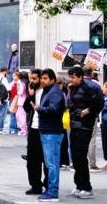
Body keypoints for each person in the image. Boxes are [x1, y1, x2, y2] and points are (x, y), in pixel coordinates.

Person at [67, 65, 104, 199]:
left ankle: (86, 187)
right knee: (76, 156)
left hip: (84, 125)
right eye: (70, 77)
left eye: (73, 77)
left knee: (81, 155)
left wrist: (88, 111)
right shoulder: (73, 87)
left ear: (80, 76)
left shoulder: (89, 87)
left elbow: (99, 102)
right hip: (75, 123)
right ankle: (79, 185)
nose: (71, 80)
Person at [36, 68, 67, 202]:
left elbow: (54, 110)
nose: (42, 81)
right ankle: (50, 190)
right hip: (47, 131)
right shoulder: (48, 91)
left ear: (52, 79)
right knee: (50, 163)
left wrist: (39, 109)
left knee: (52, 163)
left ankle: (53, 192)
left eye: (45, 78)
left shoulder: (55, 92)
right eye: (42, 78)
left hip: (52, 132)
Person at [23, 68, 49, 195]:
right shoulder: (32, 91)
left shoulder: (47, 91)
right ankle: (35, 186)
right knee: (33, 160)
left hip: (46, 130)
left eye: (34, 78)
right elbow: (27, 108)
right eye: (30, 78)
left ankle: (48, 184)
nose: (32, 81)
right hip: (33, 129)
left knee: (46, 160)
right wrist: (31, 95)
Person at [83, 66, 102, 171]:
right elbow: (100, 102)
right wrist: (95, 112)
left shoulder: (75, 85)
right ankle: (92, 163)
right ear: (90, 74)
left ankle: (77, 161)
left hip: (78, 116)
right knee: (91, 139)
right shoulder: (95, 85)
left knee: (78, 138)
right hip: (91, 116)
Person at [8, 70, 23, 135]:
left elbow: (20, 92)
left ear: (18, 76)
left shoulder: (20, 83)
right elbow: (9, 88)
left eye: (14, 76)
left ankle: (19, 128)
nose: (13, 77)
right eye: (13, 75)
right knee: (12, 114)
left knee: (18, 114)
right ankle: (12, 128)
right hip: (12, 99)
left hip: (18, 99)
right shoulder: (12, 82)